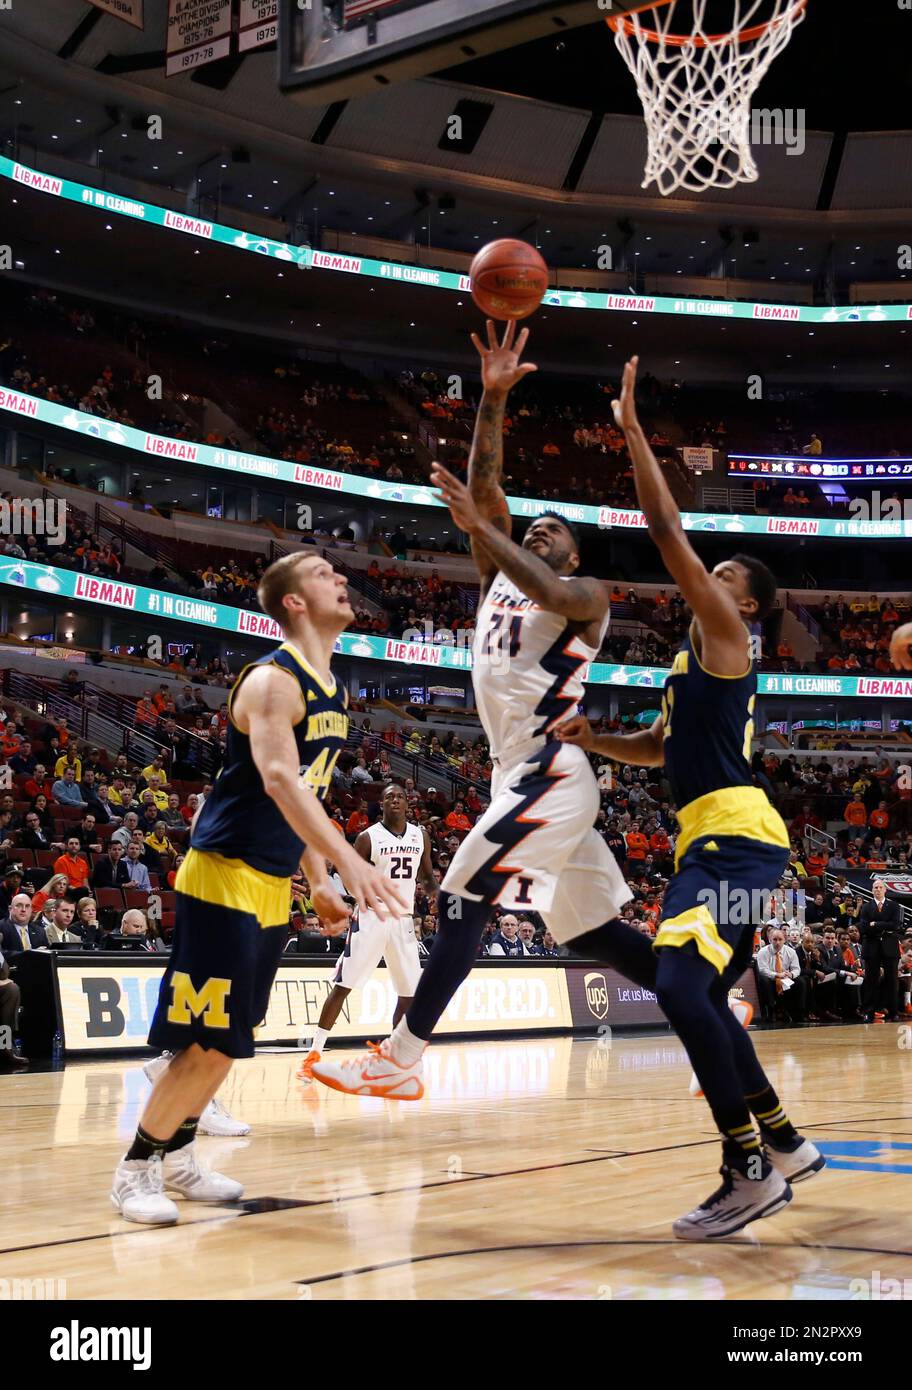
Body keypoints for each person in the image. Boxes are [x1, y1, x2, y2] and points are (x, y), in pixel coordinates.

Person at [312, 321, 640, 1109]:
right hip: (516, 777)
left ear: (574, 555)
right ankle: (714, 1010)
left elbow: (542, 577)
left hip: (549, 777)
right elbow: (486, 491)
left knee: (460, 898)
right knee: (594, 936)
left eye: (553, 530)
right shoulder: (499, 571)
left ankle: (401, 1056)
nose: (538, 529)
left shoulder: (585, 597)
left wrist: (488, 526)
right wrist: (491, 396)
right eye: (534, 524)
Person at [555, 357, 823, 1238]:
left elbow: (667, 530)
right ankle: (782, 1142)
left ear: (744, 598)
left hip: (735, 840)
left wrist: (633, 437)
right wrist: (599, 740)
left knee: (679, 987)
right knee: (696, 992)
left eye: (723, 572)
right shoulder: (690, 665)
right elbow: (660, 748)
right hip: (736, 843)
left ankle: (746, 1168)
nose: (707, 573)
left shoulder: (725, 633)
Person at [111, 550, 407, 1225]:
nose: (340, 579)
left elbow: (305, 796)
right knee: (204, 1041)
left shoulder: (332, 686)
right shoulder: (274, 682)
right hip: (223, 876)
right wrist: (348, 862)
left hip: (271, 882)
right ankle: (134, 1173)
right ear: (294, 602)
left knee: (232, 1038)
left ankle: (179, 1158)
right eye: (324, 573)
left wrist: (317, 881)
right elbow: (278, 780)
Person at [297, 783, 435, 1082]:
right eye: (388, 798)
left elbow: (426, 874)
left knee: (409, 993)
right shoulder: (367, 837)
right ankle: (313, 1054)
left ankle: (396, 1056)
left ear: (408, 804)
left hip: (404, 920)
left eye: (399, 796)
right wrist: (361, 894)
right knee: (344, 984)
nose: (395, 800)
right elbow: (346, 876)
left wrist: (440, 895)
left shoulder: (419, 834)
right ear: (381, 806)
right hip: (372, 917)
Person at [859, 879, 903, 1022]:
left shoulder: (894, 906)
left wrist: (876, 924)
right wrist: (884, 926)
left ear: (885, 890)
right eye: (875, 887)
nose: (877, 889)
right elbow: (864, 927)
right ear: (872, 890)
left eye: (880, 887)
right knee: (871, 980)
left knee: (892, 981)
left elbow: (895, 925)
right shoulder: (865, 907)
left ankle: (893, 1012)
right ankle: (868, 1012)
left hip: (890, 947)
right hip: (871, 947)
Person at [755, 926, 804, 1024]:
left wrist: (791, 974)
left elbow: (797, 969)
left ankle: (798, 1013)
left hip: (785, 978)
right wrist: (777, 975)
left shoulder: (791, 952)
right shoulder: (763, 952)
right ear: (770, 940)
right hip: (770, 978)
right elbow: (762, 970)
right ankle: (771, 1011)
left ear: (784, 940)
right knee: (764, 980)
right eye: (775, 939)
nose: (777, 942)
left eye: (780, 939)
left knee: (801, 981)